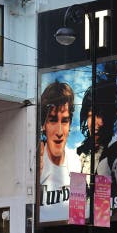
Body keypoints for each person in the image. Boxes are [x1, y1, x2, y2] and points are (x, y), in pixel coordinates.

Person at [77, 61, 117, 200]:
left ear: (110, 117)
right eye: (92, 115)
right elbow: (77, 203)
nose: (97, 123)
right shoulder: (81, 154)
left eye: (102, 115)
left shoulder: (116, 152)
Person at [39, 80, 81, 223]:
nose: (59, 132)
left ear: (70, 124)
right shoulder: (36, 160)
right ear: (43, 125)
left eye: (64, 121)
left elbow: (78, 215)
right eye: (52, 120)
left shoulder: (75, 161)